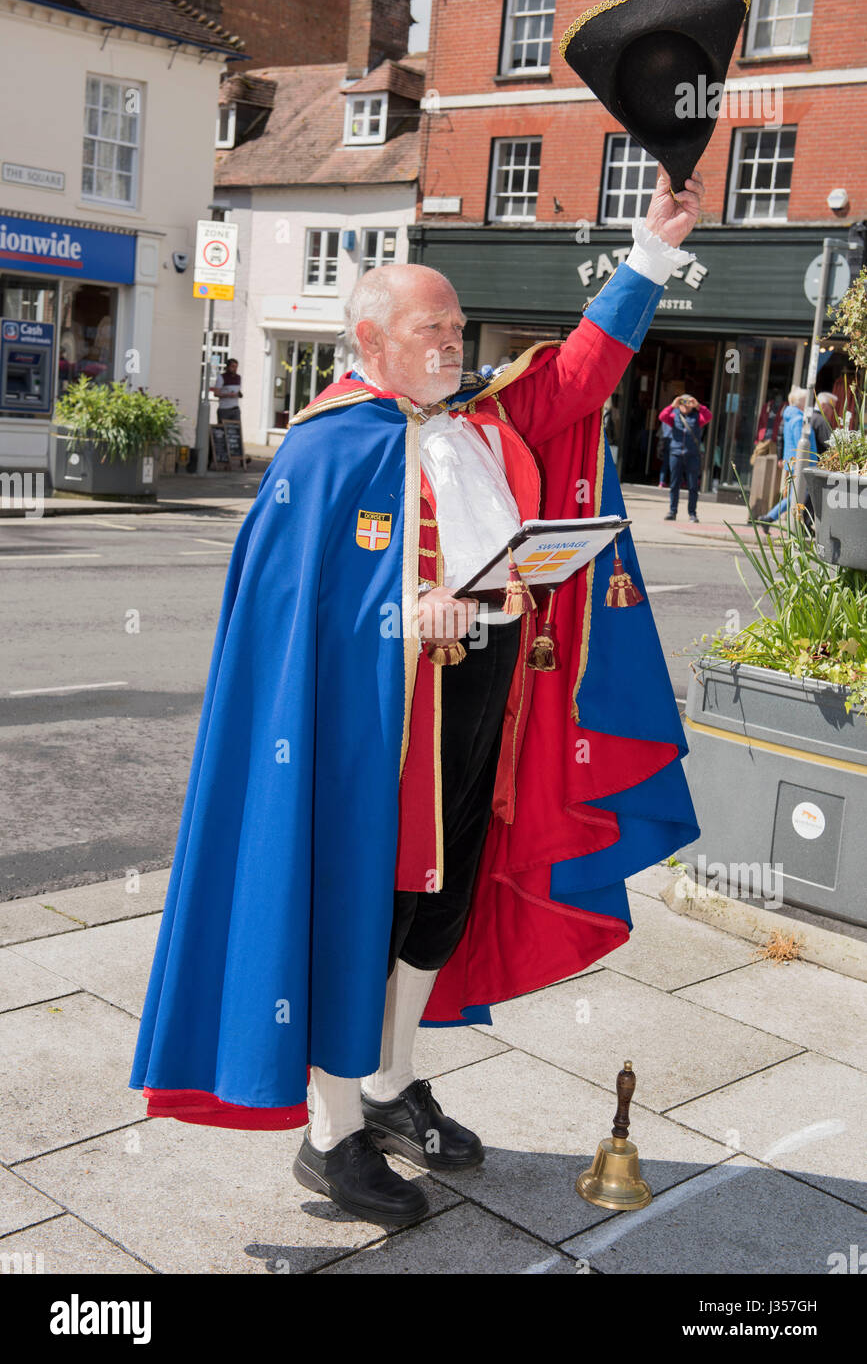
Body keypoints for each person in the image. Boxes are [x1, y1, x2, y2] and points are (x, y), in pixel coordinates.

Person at [130, 167, 703, 1231]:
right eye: (428, 324)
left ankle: (391, 1086)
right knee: (356, 912)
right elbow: (293, 621)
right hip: (369, 734)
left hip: (486, 695)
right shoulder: (324, 446)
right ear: (371, 340)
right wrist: (410, 612)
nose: (450, 338)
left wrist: (651, 253)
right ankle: (330, 1133)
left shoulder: (483, 415)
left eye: (454, 321)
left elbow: (578, 376)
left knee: (440, 906)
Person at [760, 386, 816, 525]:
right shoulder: (798, 419)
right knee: (798, 495)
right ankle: (770, 517)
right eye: (807, 401)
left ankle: (771, 518)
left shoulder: (790, 417)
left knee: (796, 494)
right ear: (801, 402)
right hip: (802, 463)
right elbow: (801, 444)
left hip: (794, 461)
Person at [658, 393, 712, 521]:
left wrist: (698, 406)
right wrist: (673, 405)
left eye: (688, 403)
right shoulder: (674, 416)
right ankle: (672, 511)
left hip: (692, 455)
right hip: (676, 454)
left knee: (693, 486)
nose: (685, 406)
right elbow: (662, 416)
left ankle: (692, 513)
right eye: (683, 402)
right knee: (674, 484)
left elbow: (708, 416)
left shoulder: (697, 417)